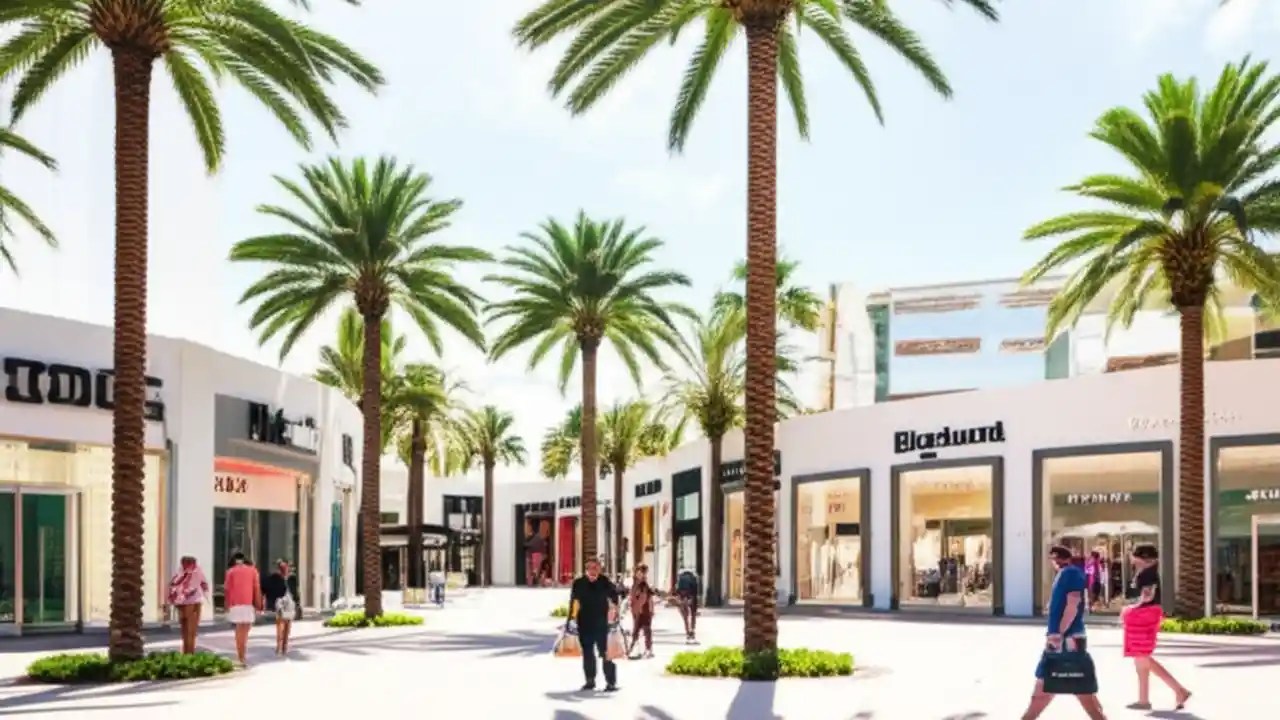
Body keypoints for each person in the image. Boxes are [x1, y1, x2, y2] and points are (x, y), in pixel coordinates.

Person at [1022, 545, 1105, 720]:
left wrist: (1059, 633)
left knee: (1052, 687)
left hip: (1066, 640)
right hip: (1065, 639)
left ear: (1056, 559)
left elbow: (1073, 603)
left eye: (1053, 559)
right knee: (1076, 689)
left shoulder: (1070, 573)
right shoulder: (1068, 574)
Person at [1122, 544, 1191, 711]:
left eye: (1135, 556)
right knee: (1142, 659)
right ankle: (1147, 698)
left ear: (1144, 558)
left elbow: (1148, 595)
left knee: (1141, 657)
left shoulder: (1148, 574)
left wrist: (1131, 607)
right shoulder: (1144, 572)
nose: (1133, 559)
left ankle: (1177, 690)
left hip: (1144, 616)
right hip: (1143, 615)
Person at [568, 557, 620, 692]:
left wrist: (614, 615)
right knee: (588, 653)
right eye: (590, 568)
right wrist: (570, 621)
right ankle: (590, 680)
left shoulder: (605, 582)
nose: (593, 571)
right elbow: (574, 602)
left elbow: (615, 599)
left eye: (596, 568)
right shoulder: (578, 583)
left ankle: (610, 682)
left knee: (606, 653)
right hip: (584, 624)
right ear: (586, 569)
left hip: (602, 624)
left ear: (600, 569)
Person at [223, 552, 263, 666]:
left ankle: (241, 655)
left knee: (238, 631)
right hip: (248, 603)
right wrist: (259, 604)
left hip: (235, 604)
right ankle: (242, 655)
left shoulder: (230, 572)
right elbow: (256, 588)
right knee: (245, 631)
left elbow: (227, 590)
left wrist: (227, 605)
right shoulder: (253, 571)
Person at [167, 555, 209, 654]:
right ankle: (189, 653)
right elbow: (204, 584)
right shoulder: (196, 572)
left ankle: (187, 652)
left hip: (182, 603)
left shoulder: (180, 572)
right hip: (193, 603)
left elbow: (173, 585)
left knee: (185, 630)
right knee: (191, 631)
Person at [263, 559, 299, 656]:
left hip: (285, 604)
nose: (285, 569)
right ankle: (282, 647)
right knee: (283, 625)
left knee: (283, 625)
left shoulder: (290, 579)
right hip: (283, 604)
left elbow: (295, 592)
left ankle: (282, 647)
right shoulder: (283, 578)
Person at [628, 564, 655, 659]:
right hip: (637, 611)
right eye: (637, 572)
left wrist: (648, 609)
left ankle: (647, 649)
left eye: (641, 573)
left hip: (643, 611)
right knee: (637, 630)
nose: (639, 574)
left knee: (645, 630)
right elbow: (632, 597)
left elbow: (645, 598)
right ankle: (634, 649)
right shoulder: (635, 584)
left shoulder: (643, 585)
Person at [673, 567, 700, 644]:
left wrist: (679, 599)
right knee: (693, 615)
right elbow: (696, 589)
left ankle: (688, 631)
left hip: (682, 597)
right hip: (692, 597)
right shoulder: (693, 578)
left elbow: (677, 589)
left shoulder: (680, 578)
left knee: (685, 616)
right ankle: (692, 630)